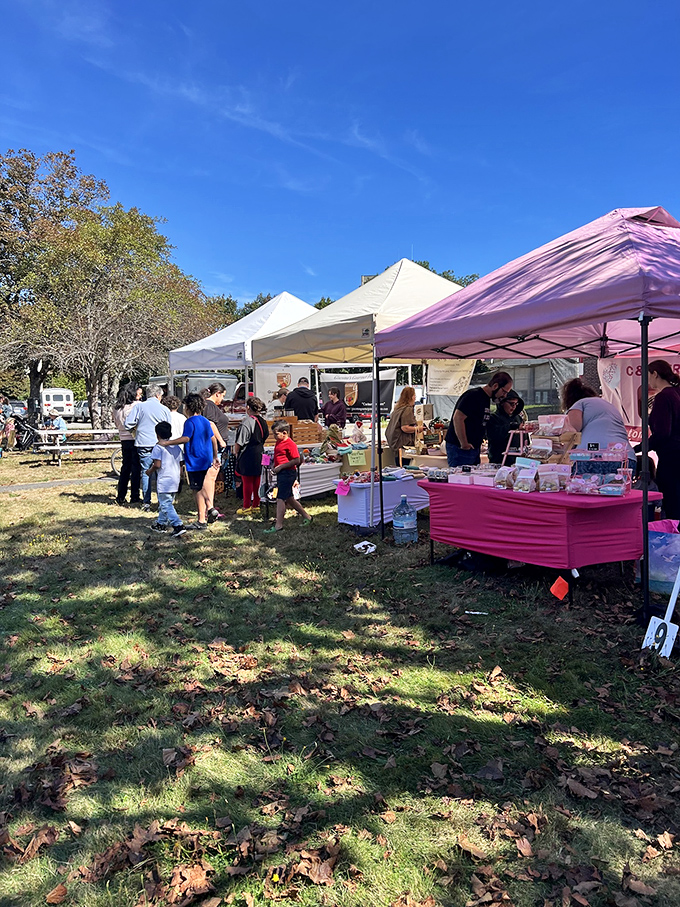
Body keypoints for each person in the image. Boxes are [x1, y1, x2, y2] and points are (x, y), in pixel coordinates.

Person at [159, 393, 220, 530]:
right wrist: (215, 456)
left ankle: (202, 519)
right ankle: (210, 508)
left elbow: (186, 438)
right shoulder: (205, 421)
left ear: (188, 407)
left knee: (196, 489)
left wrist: (168, 442)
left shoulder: (190, 422)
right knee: (203, 485)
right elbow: (213, 439)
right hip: (206, 458)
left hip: (195, 460)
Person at [562, 377, 635, 468]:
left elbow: (572, 434)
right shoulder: (608, 405)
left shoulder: (579, 404)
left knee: (587, 481)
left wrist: (561, 455)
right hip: (626, 458)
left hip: (593, 457)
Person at [446, 371, 513, 467]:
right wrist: (464, 443)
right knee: (461, 478)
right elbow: (458, 418)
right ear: (495, 386)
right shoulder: (473, 396)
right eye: (504, 391)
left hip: (473, 448)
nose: (504, 396)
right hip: (460, 448)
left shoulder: (485, 399)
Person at [125, 384, 172, 511]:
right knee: (161, 472)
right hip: (160, 443)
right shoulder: (164, 409)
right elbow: (169, 427)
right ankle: (162, 502)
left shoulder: (139, 406)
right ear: (158, 395)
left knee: (146, 472)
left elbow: (128, 423)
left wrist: (136, 427)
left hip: (143, 442)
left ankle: (146, 502)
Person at [263, 420, 312, 533]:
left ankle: (278, 525)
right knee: (289, 498)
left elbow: (296, 460)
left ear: (284, 433)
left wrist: (281, 467)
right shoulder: (279, 442)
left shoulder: (290, 444)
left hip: (288, 473)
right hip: (282, 473)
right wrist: (274, 466)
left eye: (276, 434)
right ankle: (307, 517)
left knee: (280, 498)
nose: (274, 436)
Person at [647, 360, 680, 519]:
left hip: (671, 459)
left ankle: (675, 540)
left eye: (648, 376)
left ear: (654, 374)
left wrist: (639, 448)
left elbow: (662, 433)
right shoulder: (676, 393)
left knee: (672, 504)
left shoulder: (664, 397)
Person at [145, 421, 186, 537]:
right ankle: (161, 523)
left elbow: (157, 464)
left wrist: (150, 471)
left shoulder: (158, 447)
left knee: (166, 504)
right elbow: (181, 463)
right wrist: (181, 476)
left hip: (165, 479)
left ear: (157, 434)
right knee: (166, 503)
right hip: (175, 478)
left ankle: (178, 525)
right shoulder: (176, 447)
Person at [234, 397, 269, 514]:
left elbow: (240, 442)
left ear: (248, 408)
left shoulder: (246, 422)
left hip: (248, 454)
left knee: (247, 480)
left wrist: (236, 452)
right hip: (261, 452)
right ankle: (256, 504)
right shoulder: (263, 421)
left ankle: (246, 506)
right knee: (258, 479)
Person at [113, 383, 142, 506]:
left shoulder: (116, 407)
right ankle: (134, 495)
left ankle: (121, 495)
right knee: (136, 468)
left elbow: (115, 423)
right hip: (135, 438)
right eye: (139, 393)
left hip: (123, 439)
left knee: (125, 468)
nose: (140, 396)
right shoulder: (137, 406)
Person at [487, 390, 526, 464]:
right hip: (499, 460)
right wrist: (512, 426)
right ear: (502, 403)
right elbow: (493, 435)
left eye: (516, 404)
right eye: (511, 403)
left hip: (518, 460)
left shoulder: (518, 418)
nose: (514, 407)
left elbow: (525, 439)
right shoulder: (493, 418)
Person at [386, 386, 417, 462]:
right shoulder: (407, 409)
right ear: (411, 397)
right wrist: (418, 429)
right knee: (405, 468)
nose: (415, 397)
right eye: (414, 395)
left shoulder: (397, 409)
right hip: (404, 446)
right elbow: (405, 428)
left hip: (396, 445)